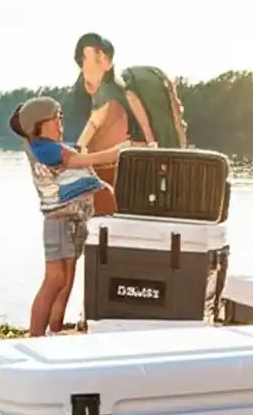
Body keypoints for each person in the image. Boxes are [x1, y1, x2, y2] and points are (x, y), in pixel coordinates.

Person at [9, 95, 124, 336]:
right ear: (40, 123)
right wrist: (119, 151)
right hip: (60, 222)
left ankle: (55, 330)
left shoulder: (48, 146)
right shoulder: (45, 148)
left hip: (73, 223)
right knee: (55, 280)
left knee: (66, 280)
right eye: (56, 119)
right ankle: (36, 336)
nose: (61, 124)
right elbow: (84, 160)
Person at [70, 32, 157, 216]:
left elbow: (95, 121)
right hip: (102, 174)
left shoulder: (114, 91)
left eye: (102, 56)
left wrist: (79, 150)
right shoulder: (84, 95)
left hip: (119, 169)